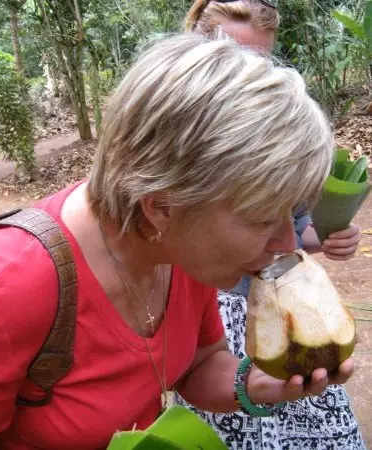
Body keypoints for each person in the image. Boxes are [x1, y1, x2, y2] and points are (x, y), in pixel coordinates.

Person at [0, 33, 352, 450]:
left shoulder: (179, 247)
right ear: (162, 205)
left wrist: (257, 382)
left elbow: (199, 365)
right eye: (261, 218)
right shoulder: (0, 293)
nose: (285, 241)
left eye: (290, 213)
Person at [174, 1, 365, 449]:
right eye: (229, 60)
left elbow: (293, 232)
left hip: (284, 302)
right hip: (218, 313)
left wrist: (326, 237)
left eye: (260, 62)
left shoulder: (284, 138)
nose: (247, 78)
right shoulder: (179, 145)